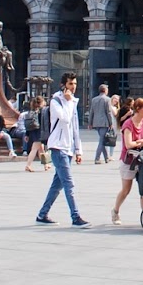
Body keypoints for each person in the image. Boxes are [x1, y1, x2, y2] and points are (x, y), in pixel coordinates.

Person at [35, 71, 89, 227]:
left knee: (57, 185)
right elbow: (65, 119)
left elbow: (75, 128)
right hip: (58, 147)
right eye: (70, 84)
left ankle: (42, 214)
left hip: (69, 148)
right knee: (68, 183)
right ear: (63, 85)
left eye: (75, 84)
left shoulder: (72, 101)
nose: (73, 87)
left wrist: (78, 150)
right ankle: (75, 216)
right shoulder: (56, 101)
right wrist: (67, 101)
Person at [111, 98, 143, 224]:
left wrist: (141, 142)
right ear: (138, 109)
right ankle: (115, 211)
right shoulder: (128, 124)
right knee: (126, 190)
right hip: (128, 161)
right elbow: (128, 145)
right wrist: (142, 141)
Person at [89, 82, 118, 163]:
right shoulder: (107, 99)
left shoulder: (94, 99)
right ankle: (97, 158)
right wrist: (111, 123)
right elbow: (108, 112)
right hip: (104, 122)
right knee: (102, 141)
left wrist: (90, 123)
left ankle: (106, 158)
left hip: (96, 122)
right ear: (105, 90)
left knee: (103, 139)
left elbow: (91, 112)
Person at [22, 97, 44, 169]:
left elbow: (28, 124)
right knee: (34, 149)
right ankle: (28, 165)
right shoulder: (41, 112)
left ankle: (46, 164)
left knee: (41, 149)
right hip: (39, 132)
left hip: (32, 132)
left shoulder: (30, 112)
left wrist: (27, 134)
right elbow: (43, 123)